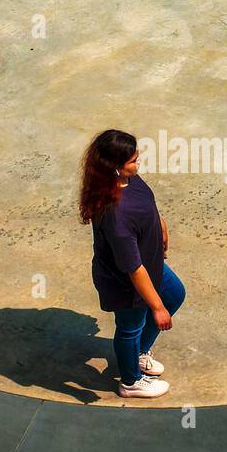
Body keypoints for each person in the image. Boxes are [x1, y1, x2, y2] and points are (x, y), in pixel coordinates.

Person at [79, 129, 185, 398]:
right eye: (133, 160)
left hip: (149, 264)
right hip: (126, 282)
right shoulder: (116, 213)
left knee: (175, 293)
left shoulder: (128, 180)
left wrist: (160, 225)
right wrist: (157, 307)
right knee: (130, 327)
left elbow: (147, 201)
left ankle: (139, 353)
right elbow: (132, 268)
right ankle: (130, 381)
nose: (138, 164)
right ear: (115, 167)